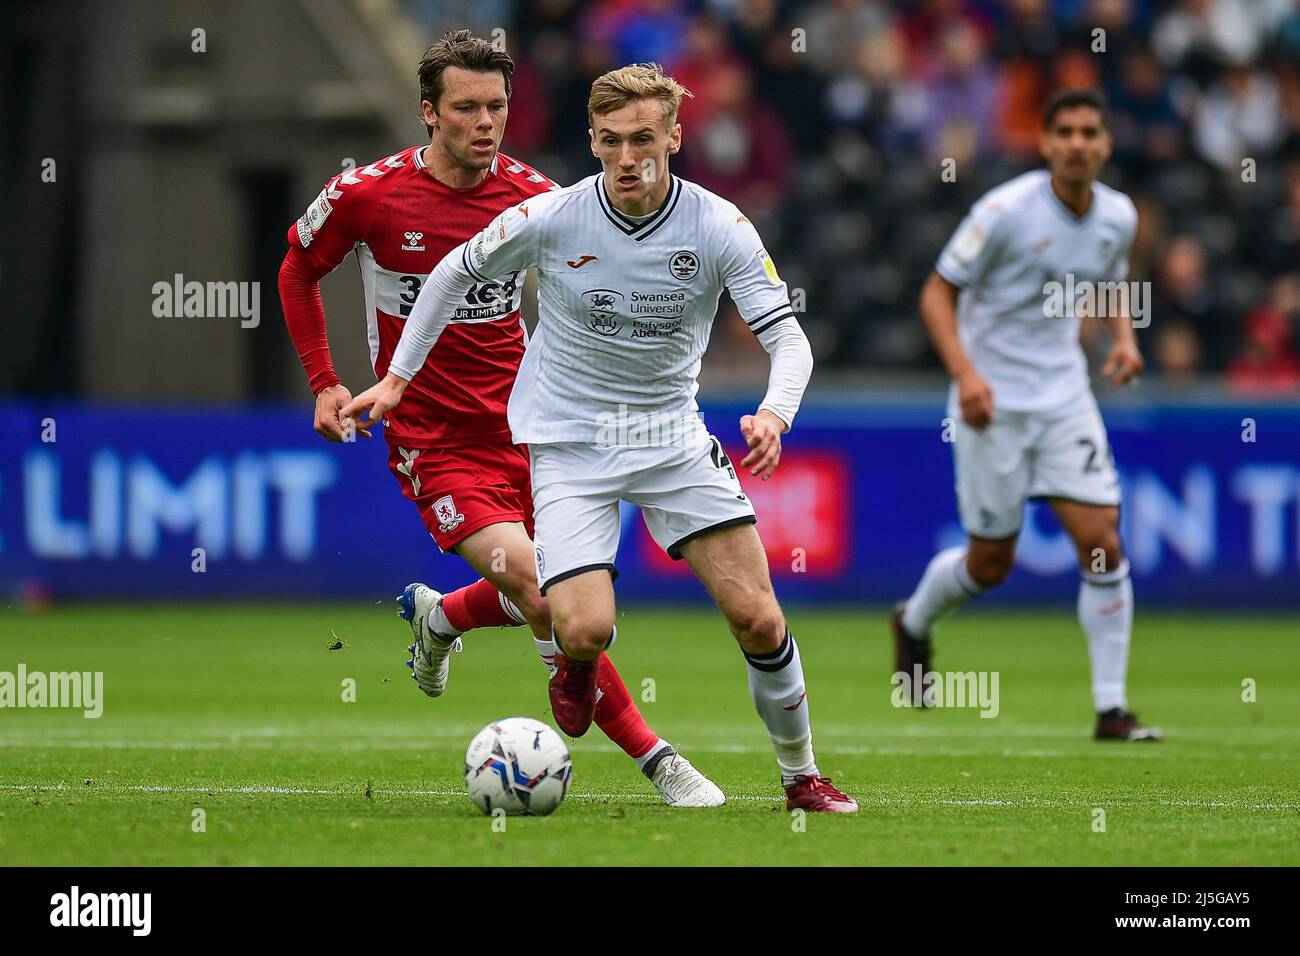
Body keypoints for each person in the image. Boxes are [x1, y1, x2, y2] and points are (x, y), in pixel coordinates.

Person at [344, 63, 859, 813]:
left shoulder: (719, 225)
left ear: (675, 137)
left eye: (644, 139)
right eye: (611, 141)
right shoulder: (553, 218)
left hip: (671, 438)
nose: (628, 157)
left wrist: (774, 413)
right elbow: (453, 272)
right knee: (582, 629)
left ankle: (801, 777)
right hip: (569, 445)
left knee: (758, 616)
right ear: (591, 139)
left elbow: (791, 342)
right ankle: (575, 665)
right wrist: (396, 380)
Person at [278, 31, 723, 807]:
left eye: (497, 107)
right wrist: (324, 381)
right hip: (433, 440)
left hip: (532, 432)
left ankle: (443, 616)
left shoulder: (538, 200)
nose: (485, 123)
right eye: (467, 108)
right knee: (544, 593)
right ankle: (661, 762)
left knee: (558, 596)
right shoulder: (368, 196)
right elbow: (298, 267)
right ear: (428, 112)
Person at [893, 88, 1160, 741]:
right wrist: (967, 376)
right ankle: (914, 621)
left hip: (1066, 397)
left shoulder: (1118, 215)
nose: (1076, 143)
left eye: (1089, 132)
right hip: (993, 404)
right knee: (991, 565)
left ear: (1105, 144)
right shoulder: (1004, 211)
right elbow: (936, 292)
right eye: (1064, 131)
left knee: (1102, 541)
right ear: (1045, 143)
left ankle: (1111, 709)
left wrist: (1123, 338)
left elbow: (1110, 277)